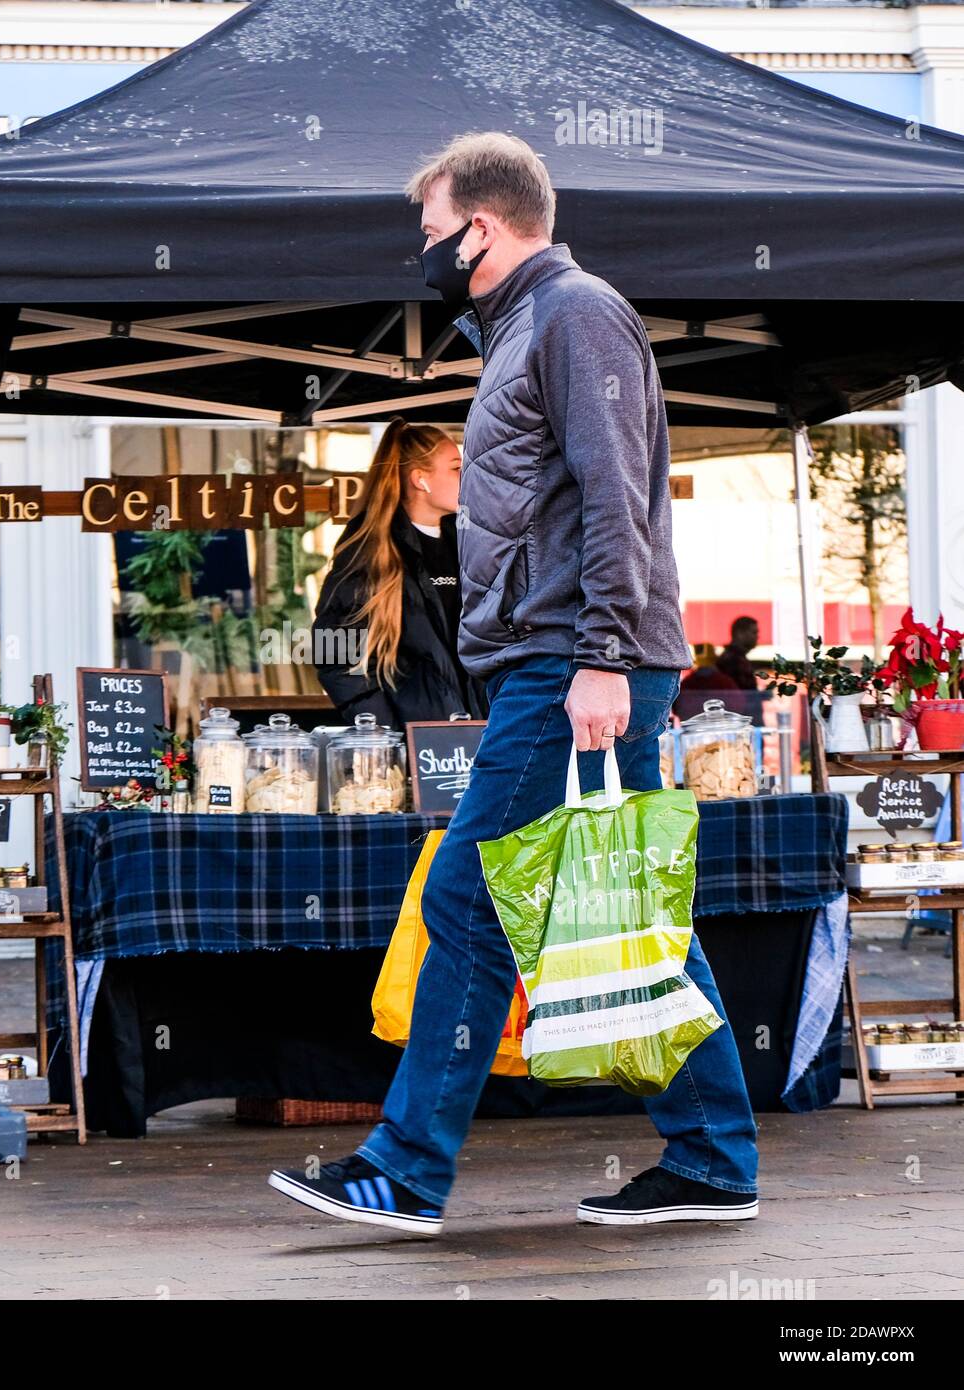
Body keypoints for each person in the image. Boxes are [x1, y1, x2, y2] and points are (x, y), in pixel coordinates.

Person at [269, 132, 758, 1236]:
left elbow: (615, 496)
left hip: (573, 661)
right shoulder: (528, 326)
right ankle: (715, 1155)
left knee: (468, 896)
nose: (427, 251)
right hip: (559, 660)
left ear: (480, 227)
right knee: (627, 908)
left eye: (432, 231)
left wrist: (600, 657)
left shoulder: (575, 313)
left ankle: (405, 1165)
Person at [312, 418, 487, 728]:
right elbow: (332, 653)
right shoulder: (369, 551)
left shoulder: (470, 544)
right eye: (455, 468)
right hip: (414, 745)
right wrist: (386, 729)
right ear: (421, 480)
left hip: (478, 735)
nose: (467, 476)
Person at [715, 615, 765, 725]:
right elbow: (738, 696)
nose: (757, 637)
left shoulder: (735, 658)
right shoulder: (732, 660)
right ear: (740, 633)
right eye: (754, 632)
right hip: (740, 724)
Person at [674, 641, 739, 723]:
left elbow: (676, 707)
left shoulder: (687, 683)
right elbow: (739, 705)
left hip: (696, 729)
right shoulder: (725, 681)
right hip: (719, 729)